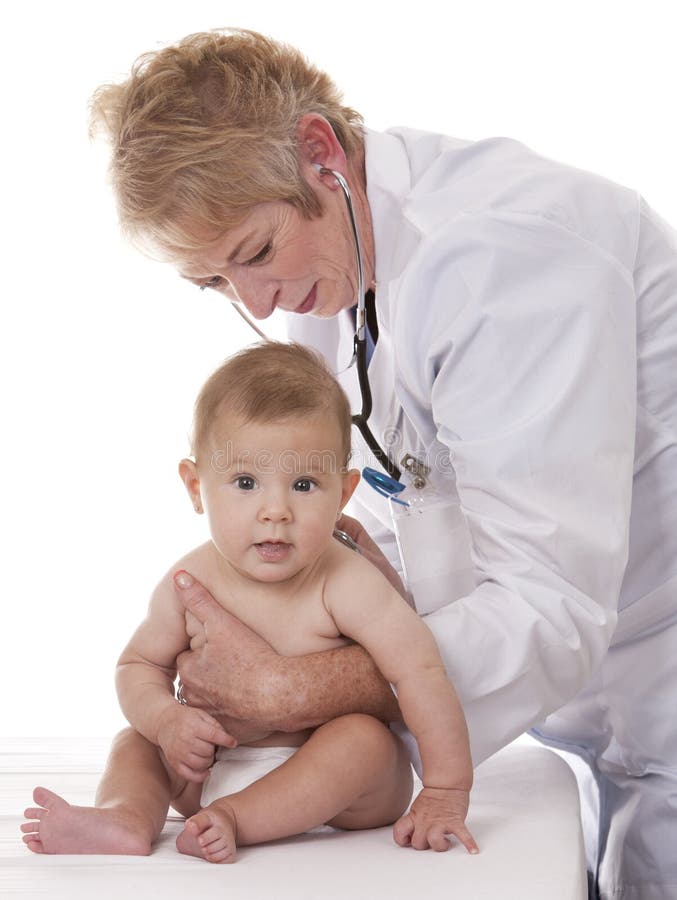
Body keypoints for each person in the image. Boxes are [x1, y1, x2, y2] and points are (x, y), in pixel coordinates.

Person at [85, 29, 677, 897]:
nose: (255, 304)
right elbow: (428, 493)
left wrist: (303, 691)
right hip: (595, 702)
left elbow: (548, 601)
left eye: (253, 254)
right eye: (215, 284)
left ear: (320, 153)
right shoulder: (335, 269)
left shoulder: (508, 260)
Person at [21, 341, 478, 863]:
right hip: (212, 764)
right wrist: (167, 720)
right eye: (245, 483)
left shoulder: (346, 580)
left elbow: (420, 671)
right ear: (196, 487)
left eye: (304, 484)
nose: (275, 511)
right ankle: (127, 815)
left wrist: (446, 788)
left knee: (365, 742)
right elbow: (137, 665)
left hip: (333, 784)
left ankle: (237, 818)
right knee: (136, 741)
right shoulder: (189, 579)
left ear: (344, 494)